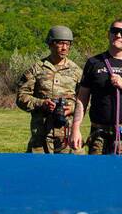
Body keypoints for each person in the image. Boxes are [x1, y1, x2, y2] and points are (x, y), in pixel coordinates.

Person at [70, 18, 122, 155]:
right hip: (100, 135)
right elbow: (82, 98)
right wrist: (75, 128)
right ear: (108, 34)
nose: (119, 35)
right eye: (115, 31)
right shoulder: (93, 63)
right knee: (99, 175)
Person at [17, 25, 83, 154]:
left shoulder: (77, 72)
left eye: (68, 44)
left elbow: (85, 101)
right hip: (40, 136)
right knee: (38, 172)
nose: (64, 48)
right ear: (51, 44)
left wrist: (72, 108)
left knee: (71, 172)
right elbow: (21, 97)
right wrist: (42, 104)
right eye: (60, 43)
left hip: (67, 136)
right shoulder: (36, 69)